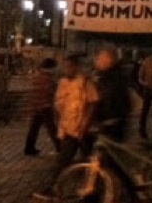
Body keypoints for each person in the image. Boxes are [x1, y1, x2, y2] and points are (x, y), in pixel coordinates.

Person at [34, 53, 98, 200]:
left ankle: (93, 190)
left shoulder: (85, 82)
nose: (66, 69)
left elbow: (94, 103)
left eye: (69, 66)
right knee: (62, 161)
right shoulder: (63, 82)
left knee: (89, 161)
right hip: (69, 129)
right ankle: (54, 188)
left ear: (76, 67)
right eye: (64, 66)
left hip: (83, 130)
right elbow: (59, 105)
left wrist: (85, 124)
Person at [93, 46, 132, 142]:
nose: (97, 61)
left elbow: (113, 98)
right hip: (106, 122)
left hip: (111, 123)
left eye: (100, 59)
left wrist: (110, 118)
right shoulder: (103, 76)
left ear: (108, 61)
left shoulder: (113, 78)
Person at [24, 58, 61, 156]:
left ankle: (29, 148)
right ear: (51, 67)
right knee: (52, 128)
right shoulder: (47, 78)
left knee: (34, 128)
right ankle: (60, 147)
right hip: (45, 106)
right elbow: (52, 92)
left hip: (36, 105)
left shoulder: (37, 76)